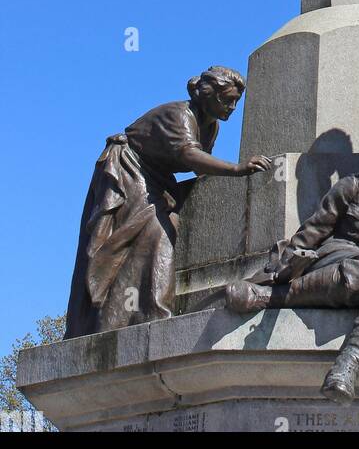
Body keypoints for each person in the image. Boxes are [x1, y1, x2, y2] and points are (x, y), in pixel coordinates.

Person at [225, 133, 359, 401]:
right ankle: (270, 297)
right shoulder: (355, 188)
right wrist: (283, 270)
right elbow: (311, 232)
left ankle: (347, 367)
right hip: (337, 262)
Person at [65, 66, 271, 338]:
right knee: (151, 233)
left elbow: (200, 168)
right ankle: (131, 318)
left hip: (159, 180)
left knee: (163, 229)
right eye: (227, 100)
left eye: (236, 102)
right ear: (207, 94)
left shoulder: (211, 126)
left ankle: (146, 313)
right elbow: (190, 156)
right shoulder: (179, 115)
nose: (232, 107)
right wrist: (237, 169)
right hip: (129, 169)